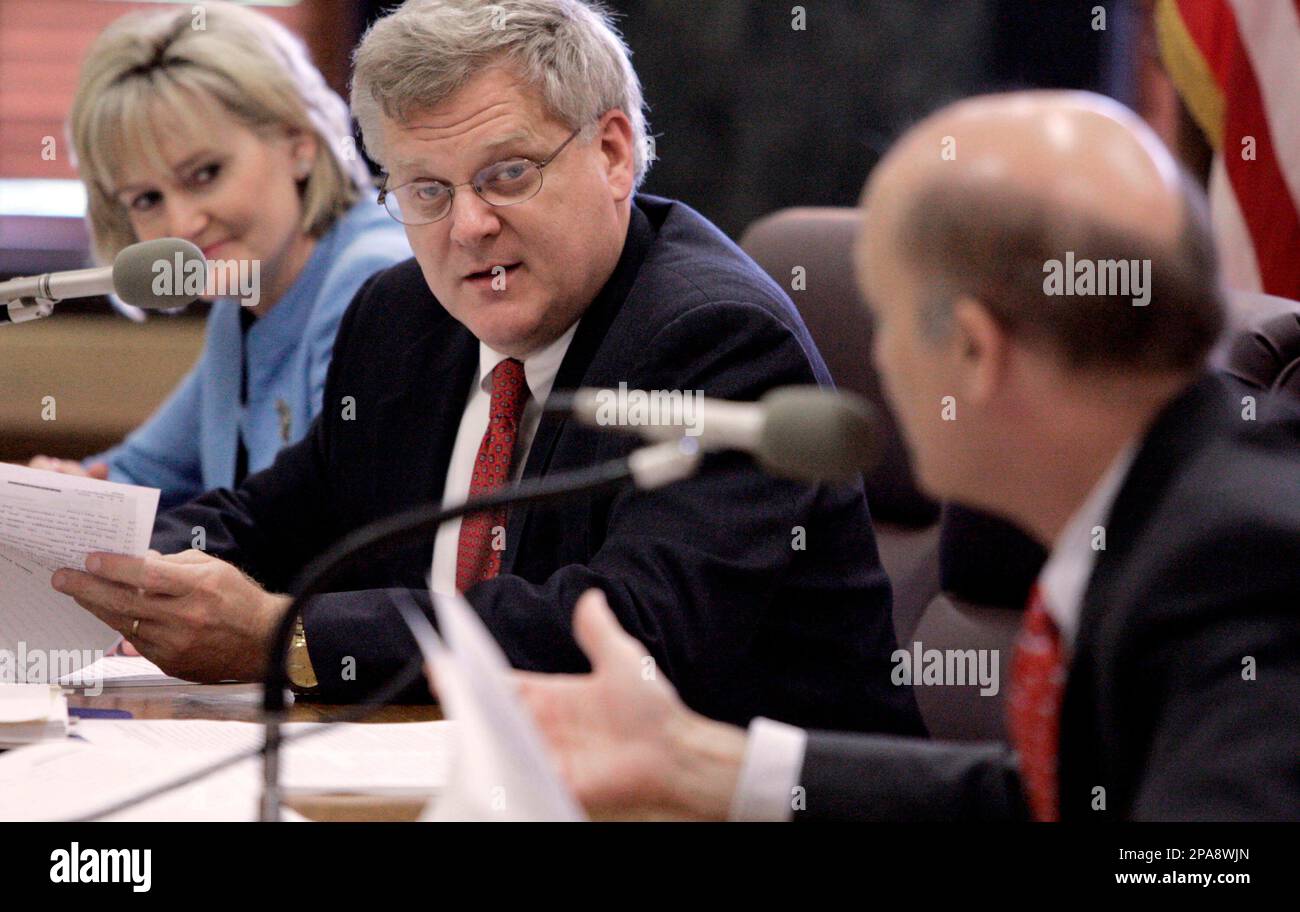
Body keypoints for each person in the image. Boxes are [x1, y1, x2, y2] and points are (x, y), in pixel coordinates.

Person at [50, 0, 924, 737]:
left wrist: (289, 634)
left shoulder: (713, 337)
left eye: (507, 174)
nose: (468, 226)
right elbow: (278, 513)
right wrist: (96, 567)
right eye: (426, 191)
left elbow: (627, 628)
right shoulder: (403, 315)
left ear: (614, 153)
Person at [512, 90, 1300, 821]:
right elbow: (1050, 803)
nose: (879, 361)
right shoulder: (1158, 509)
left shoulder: (1240, 564)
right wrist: (700, 762)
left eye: (884, 319)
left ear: (973, 350)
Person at [29, 1, 409, 510]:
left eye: (205, 174)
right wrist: (70, 489)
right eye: (147, 200)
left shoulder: (372, 276)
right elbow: (135, 473)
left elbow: (316, 526)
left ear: (299, 142)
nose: (182, 225)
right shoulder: (242, 305)